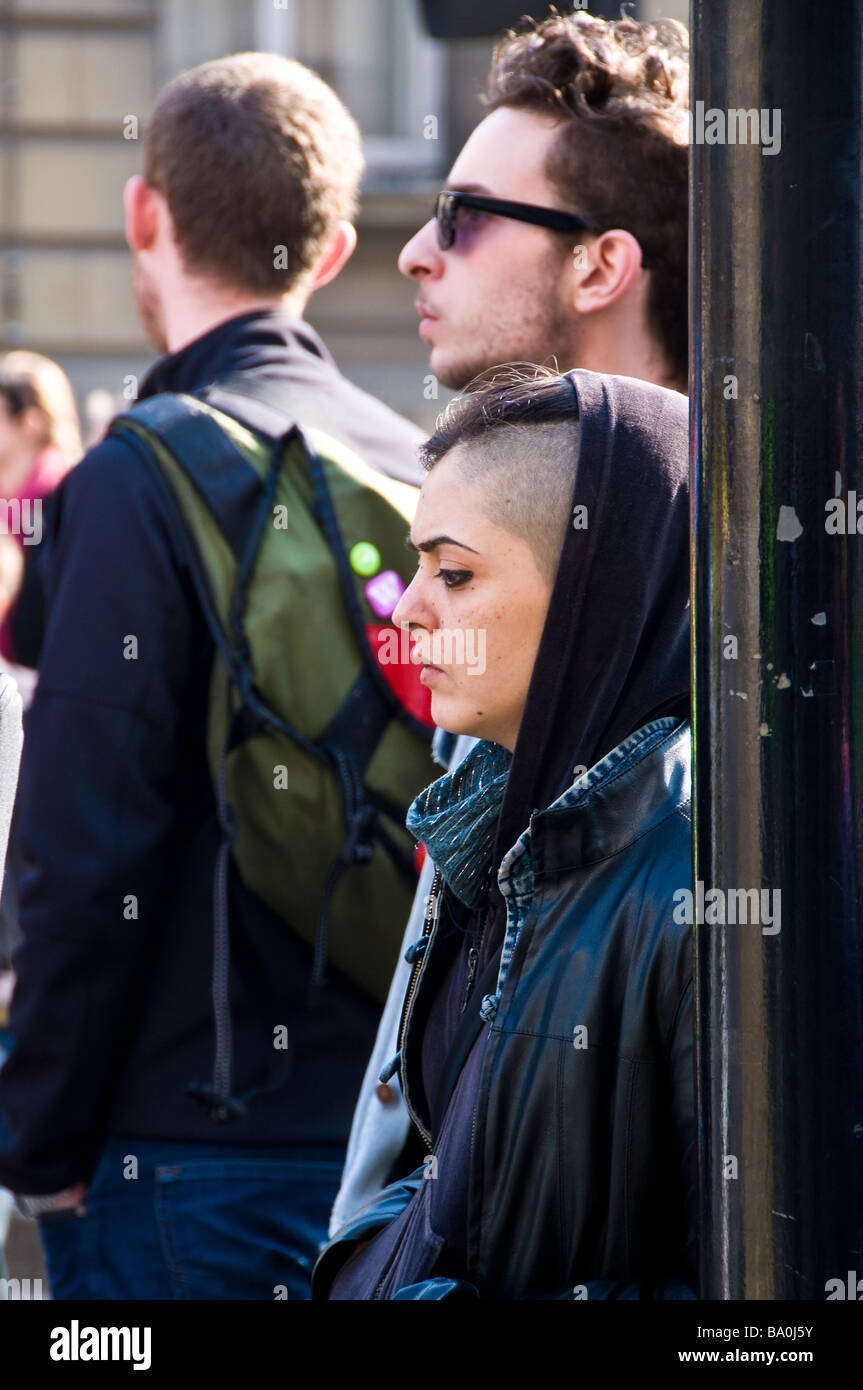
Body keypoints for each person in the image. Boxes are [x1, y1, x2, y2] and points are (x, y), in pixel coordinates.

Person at [0, 51, 430, 1301]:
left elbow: (81, 853)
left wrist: (39, 1139)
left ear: (145, 215)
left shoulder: (137, 474)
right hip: (393, 1154)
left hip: (178, 1152)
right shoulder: (416, 468)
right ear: (338, 248)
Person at [331, 7, 690, 1236]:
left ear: (599, 263)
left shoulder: (753, 620)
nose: (415, 256)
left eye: (466, 216)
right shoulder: (501, 563)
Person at [314, 365, 694, 1299]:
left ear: (590, 591)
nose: (408, 608)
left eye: (453, 572)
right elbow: (467, 1181)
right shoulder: (490, 830)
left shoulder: (704, 886)